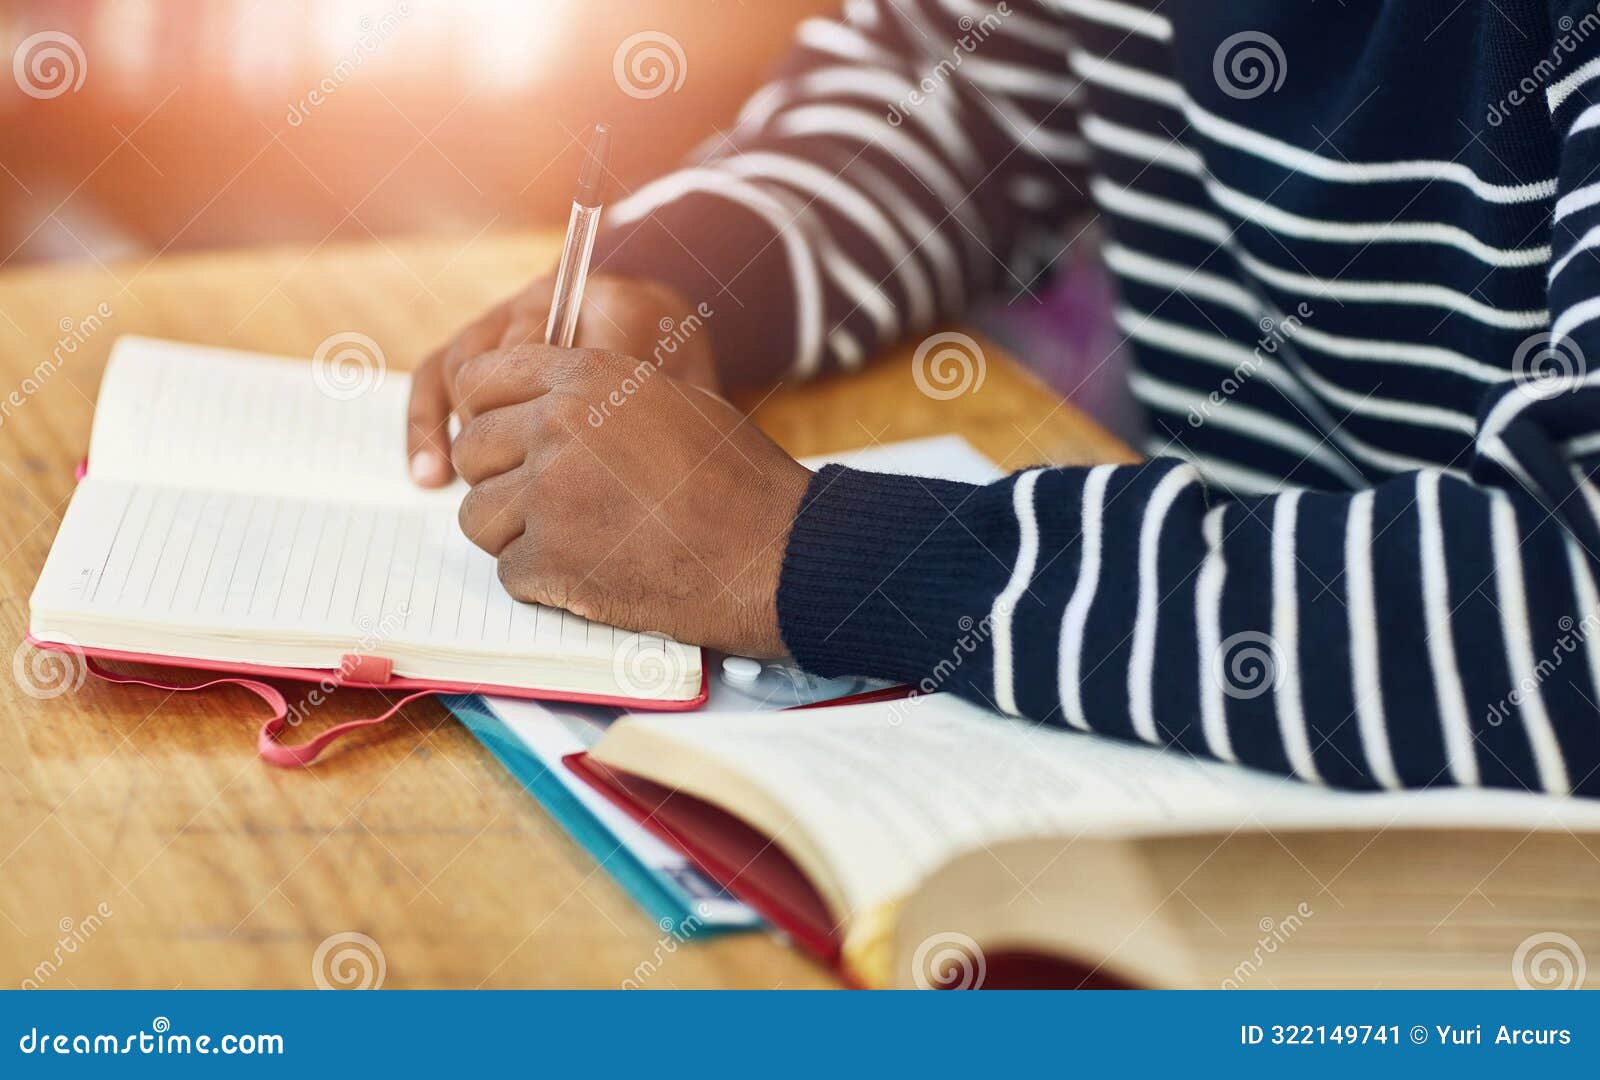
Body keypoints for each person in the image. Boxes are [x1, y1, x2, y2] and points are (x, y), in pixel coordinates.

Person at [405, 1, 1600, 796]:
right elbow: (939, 94)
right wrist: (683, 278)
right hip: (1196, 719)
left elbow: (1572, 615)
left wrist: (797, 551)